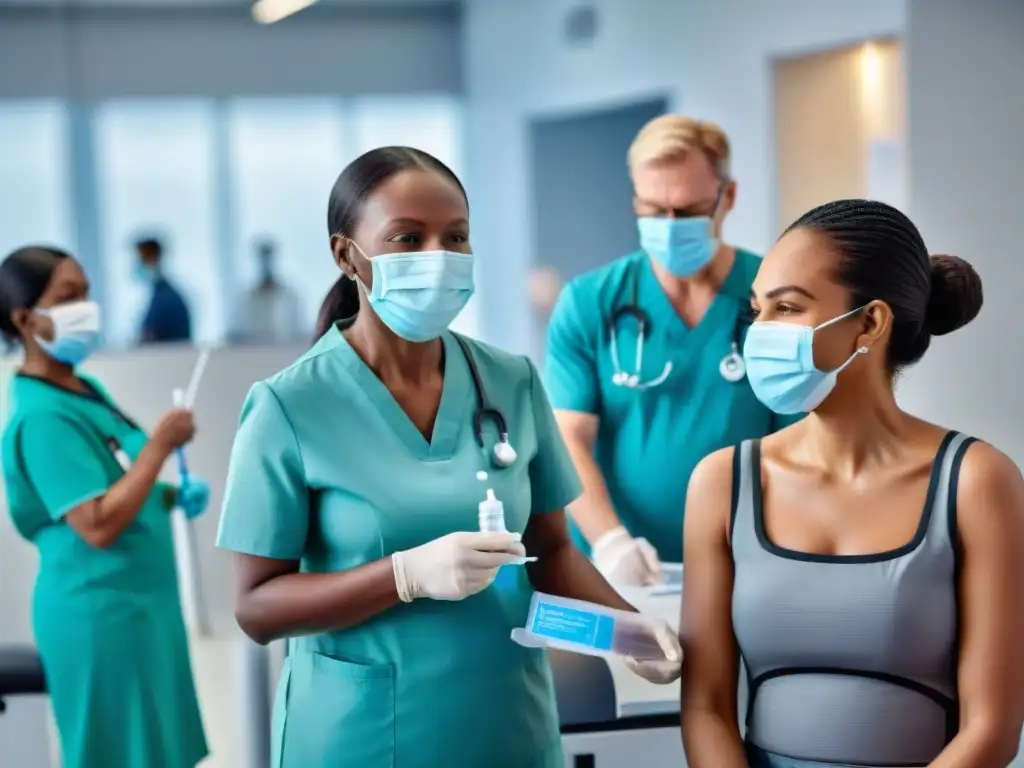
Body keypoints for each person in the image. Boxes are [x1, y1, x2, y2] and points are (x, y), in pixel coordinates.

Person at [215, 146, 683, 768]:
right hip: (364, 737)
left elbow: (555, 552)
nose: (436, 257)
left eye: (455, 236)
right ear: (345, 254)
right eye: (407, 238)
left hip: (506, 726)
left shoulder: (511, 380)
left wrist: (631, 629)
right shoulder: (289, 405)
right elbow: (255, 607)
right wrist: (402, 576)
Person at [681, 200, 1024, 768]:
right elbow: (705, 707)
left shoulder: (976, 482)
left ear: (870, 323)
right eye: (757, 309)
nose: (760, 332)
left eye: (788, 307)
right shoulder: (722, 483)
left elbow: (992, 728)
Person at [544, 114, 799, 585]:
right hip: (614, 567)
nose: (668, 225)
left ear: (729, 197)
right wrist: (610, 542)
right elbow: (567, 440)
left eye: (686, 211)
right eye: (652, 209)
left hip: (743, 565)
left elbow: (803, 449)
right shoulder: (590, 302)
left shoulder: (777, 298)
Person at [0, 246, 212, 767]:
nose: (87, 308)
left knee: (160, 748)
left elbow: (114, 481)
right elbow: (95, 524)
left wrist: (167, 495)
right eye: (68, 297)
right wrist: (160, 446)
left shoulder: (83, 389)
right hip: (99, 616)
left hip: (144, 609)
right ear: (25, 319)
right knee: (119, 753)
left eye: (87, 292)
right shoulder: (43, 418)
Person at [230, 238, 304, 344]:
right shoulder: (245, 298)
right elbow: (236, 334)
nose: (266, 263)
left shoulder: (290, 297)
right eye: (262, 258)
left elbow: (299, 334)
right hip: (253, 354)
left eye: (269, 257)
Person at [134, 236, 192, 344]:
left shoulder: (166, 299)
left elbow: (146, 337)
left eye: (141, 260)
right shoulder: (161, 294)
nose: (138, 265)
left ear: (154, 259)